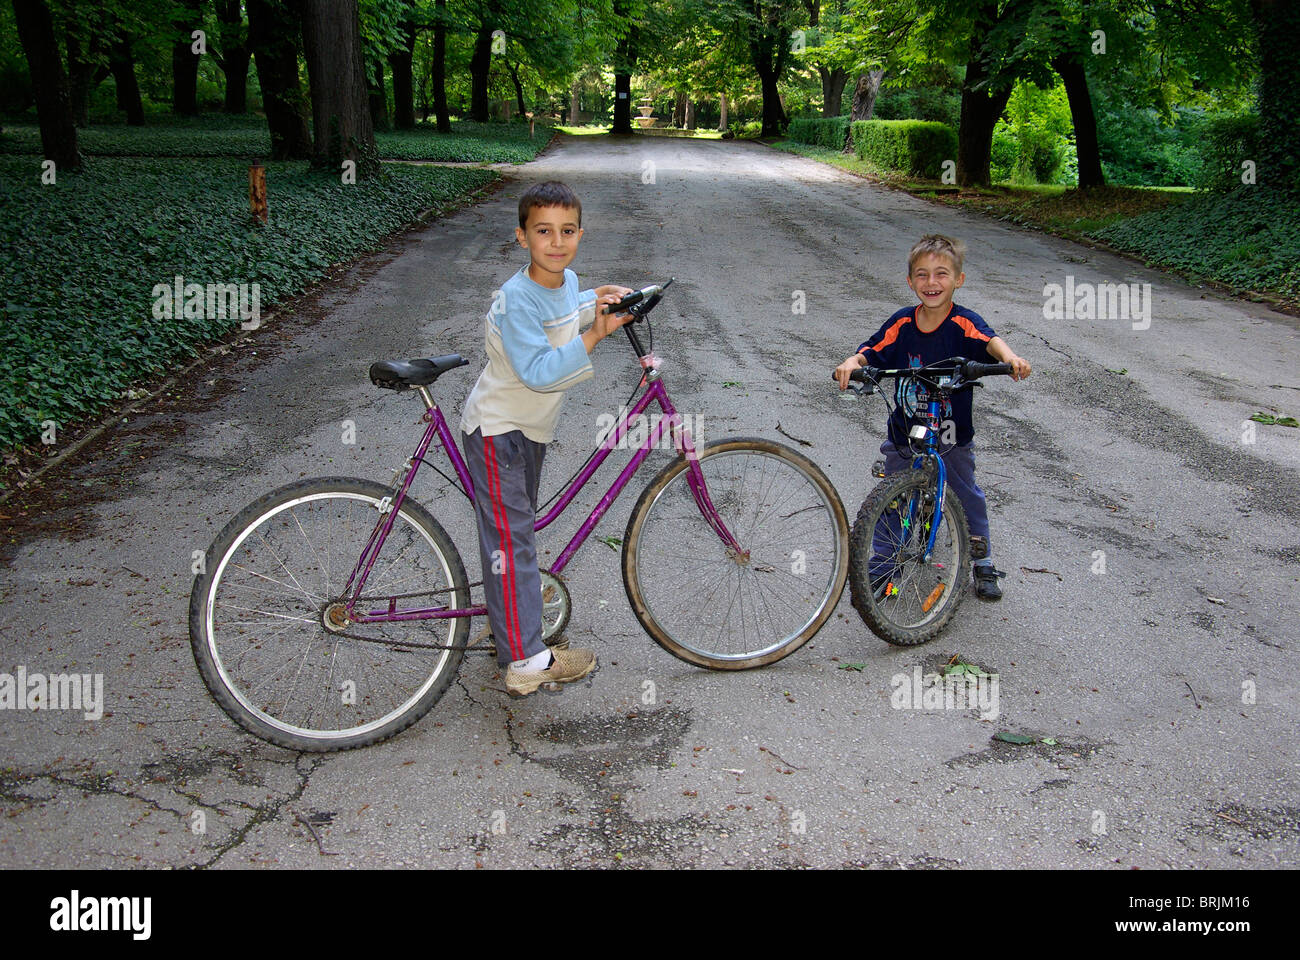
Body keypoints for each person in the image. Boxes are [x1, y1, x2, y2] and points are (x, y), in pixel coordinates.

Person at [460, 181, 633, 695]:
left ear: (580, 233)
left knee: (514, 537)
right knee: (513, 544)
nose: (556, 242)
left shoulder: (563, 280)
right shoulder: (515, 299)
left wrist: (595, 298)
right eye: (543, 232)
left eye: (567, 231)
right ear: (522, 237)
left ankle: (507, 626)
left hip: (526, 430)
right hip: (499, 430)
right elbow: (537, 369)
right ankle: (527, 663)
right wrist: (596, 333)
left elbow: (561, 306)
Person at [832, 234, 1031, 600]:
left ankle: (981, 561)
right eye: (922, 275)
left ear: (959, 279)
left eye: (942, 274)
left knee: (965, 491)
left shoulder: (963, 323)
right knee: (891, 497)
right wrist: (852, 363)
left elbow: (989, 340)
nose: (931, 283)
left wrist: (1011, 358)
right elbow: (871, 349)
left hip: (952, 433)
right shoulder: (902, 323)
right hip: (905, 431)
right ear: (910, 282)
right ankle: (884, 562)